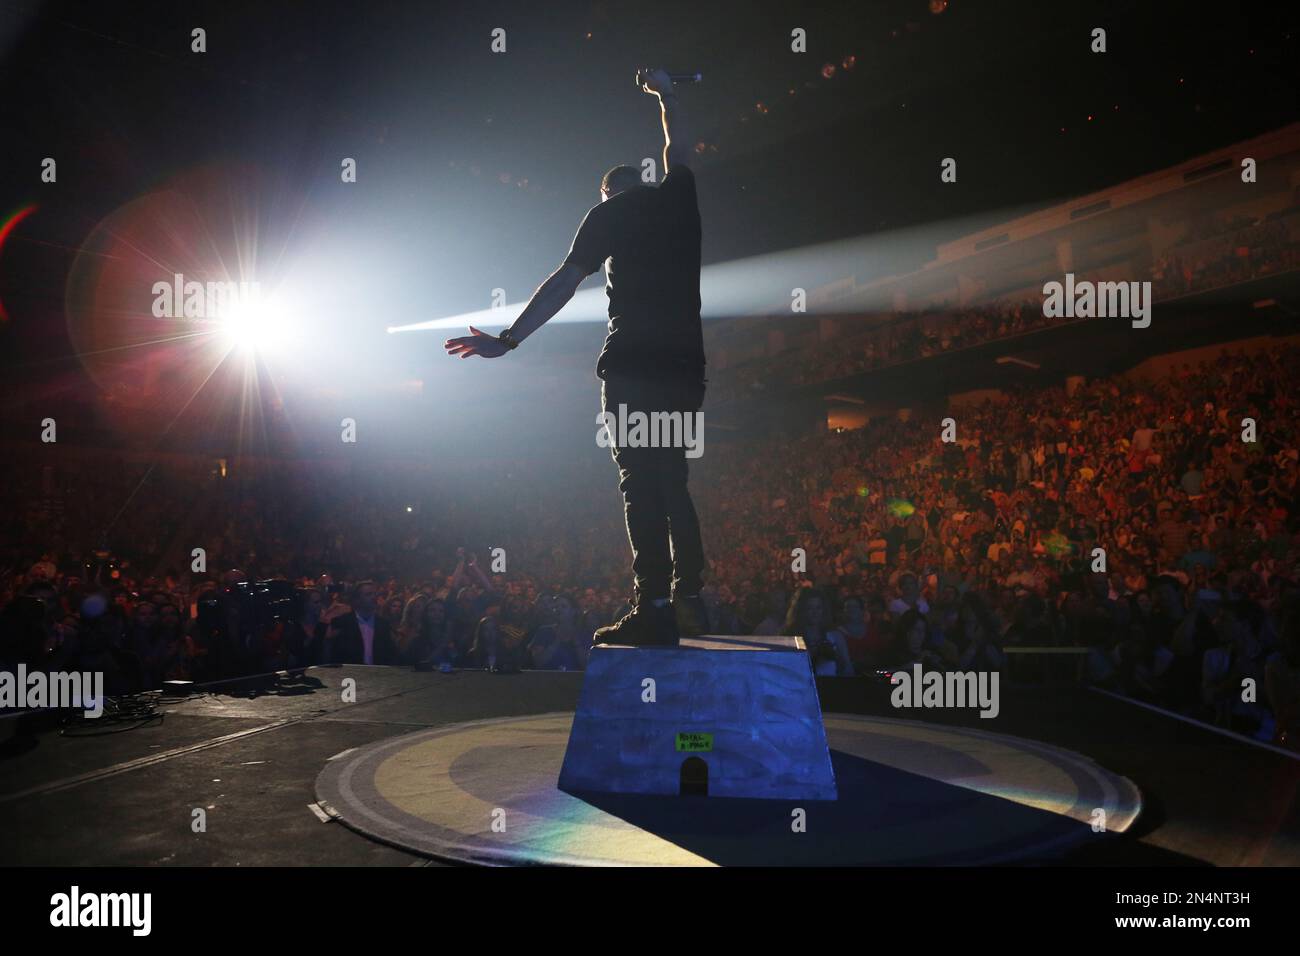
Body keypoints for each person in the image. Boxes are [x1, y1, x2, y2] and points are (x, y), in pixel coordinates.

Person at [444, 67, 706, 647]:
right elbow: (678, 145)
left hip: (636, 362)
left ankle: (655, 606)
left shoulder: (608, 213)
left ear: (606, 192)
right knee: (674, 478)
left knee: (640, 480)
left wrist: (510, 339)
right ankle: (690, 597)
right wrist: (667, 94)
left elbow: (565, 280)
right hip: (686, 365)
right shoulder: (678, 198)